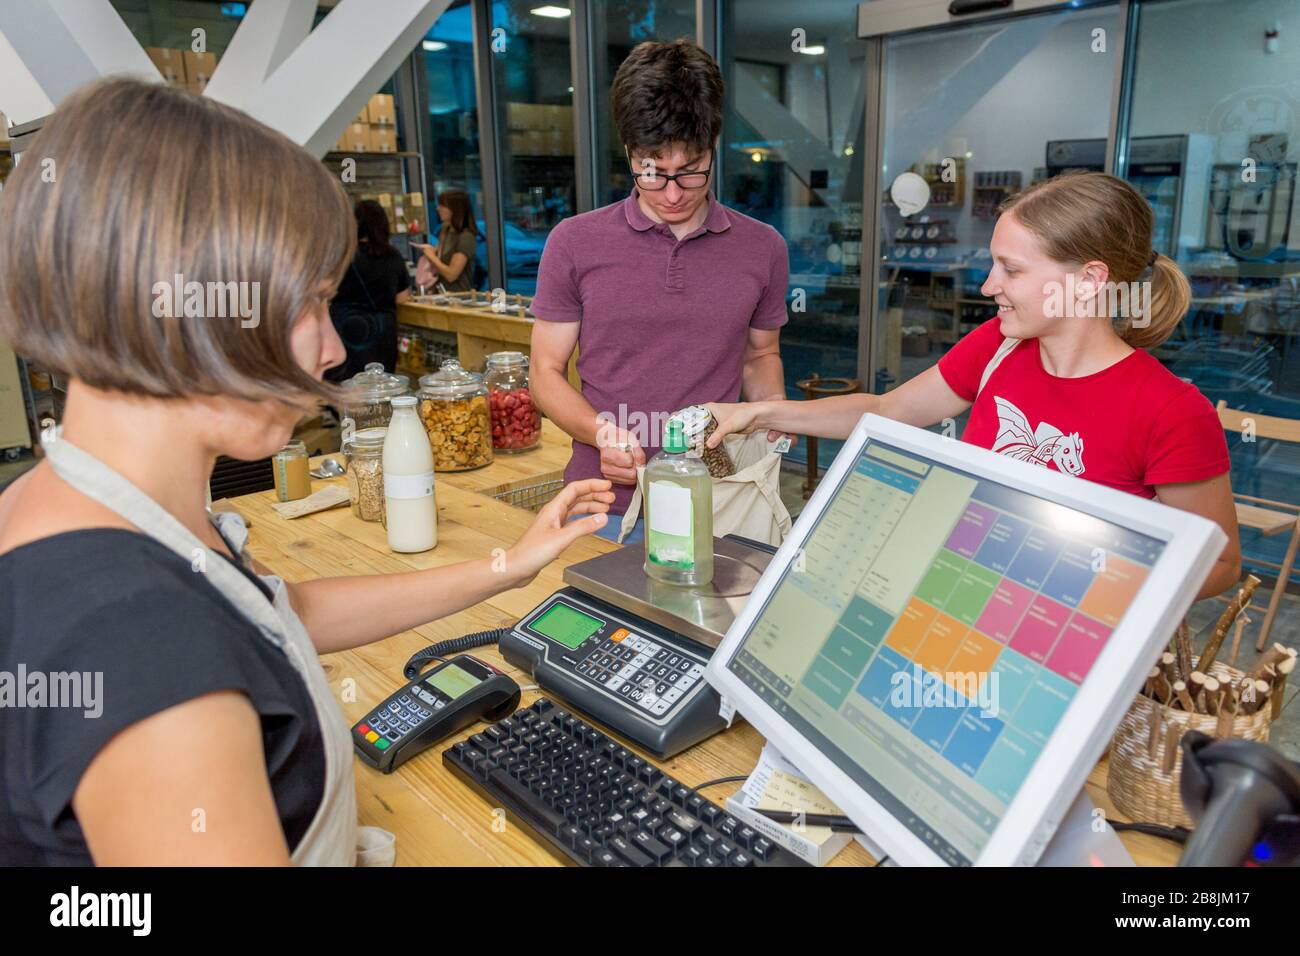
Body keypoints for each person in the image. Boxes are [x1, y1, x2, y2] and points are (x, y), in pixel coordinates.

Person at [0, 77, 613, 865]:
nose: (332, 348)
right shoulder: (142, 647)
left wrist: (506, 566)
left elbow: (278, 614)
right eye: (309, 304)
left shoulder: (70, 505)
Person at [706, 171, 1242, 600]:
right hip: (961, 604)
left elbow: (1218, 565)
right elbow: (886, 411)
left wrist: (1083, 588)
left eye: (1011, 270)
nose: (989, 286)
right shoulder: (999, 347)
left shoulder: (1170, 411)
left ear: (1091, 279)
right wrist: (757, 415)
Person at [529, 39, 790, 543]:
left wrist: (770, 410)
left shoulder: (763, 249)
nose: (672, 193)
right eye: (651, 171)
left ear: (714, 147)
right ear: (629, 152)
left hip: (717, 504)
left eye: (690, 170)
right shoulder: (574, 242)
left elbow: (761, 356)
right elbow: (545, 373)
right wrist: (599, 432)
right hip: (602, 505)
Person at [328, 199, 411, 380]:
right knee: (381, 386)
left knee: (347, 385)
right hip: (381, 330)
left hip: (345, 325)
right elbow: (402, 297)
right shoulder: (393, 255)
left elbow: (326, 288)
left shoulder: (342, 254)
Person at [413, 189, 481, 293]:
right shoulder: (446, 229)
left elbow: (451, 275)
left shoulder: (466, 237)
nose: (438, 209)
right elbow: (440, 256)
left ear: (455, 209)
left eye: (442, 205)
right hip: (440, 294)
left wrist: (431, 256)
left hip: (458, 297)